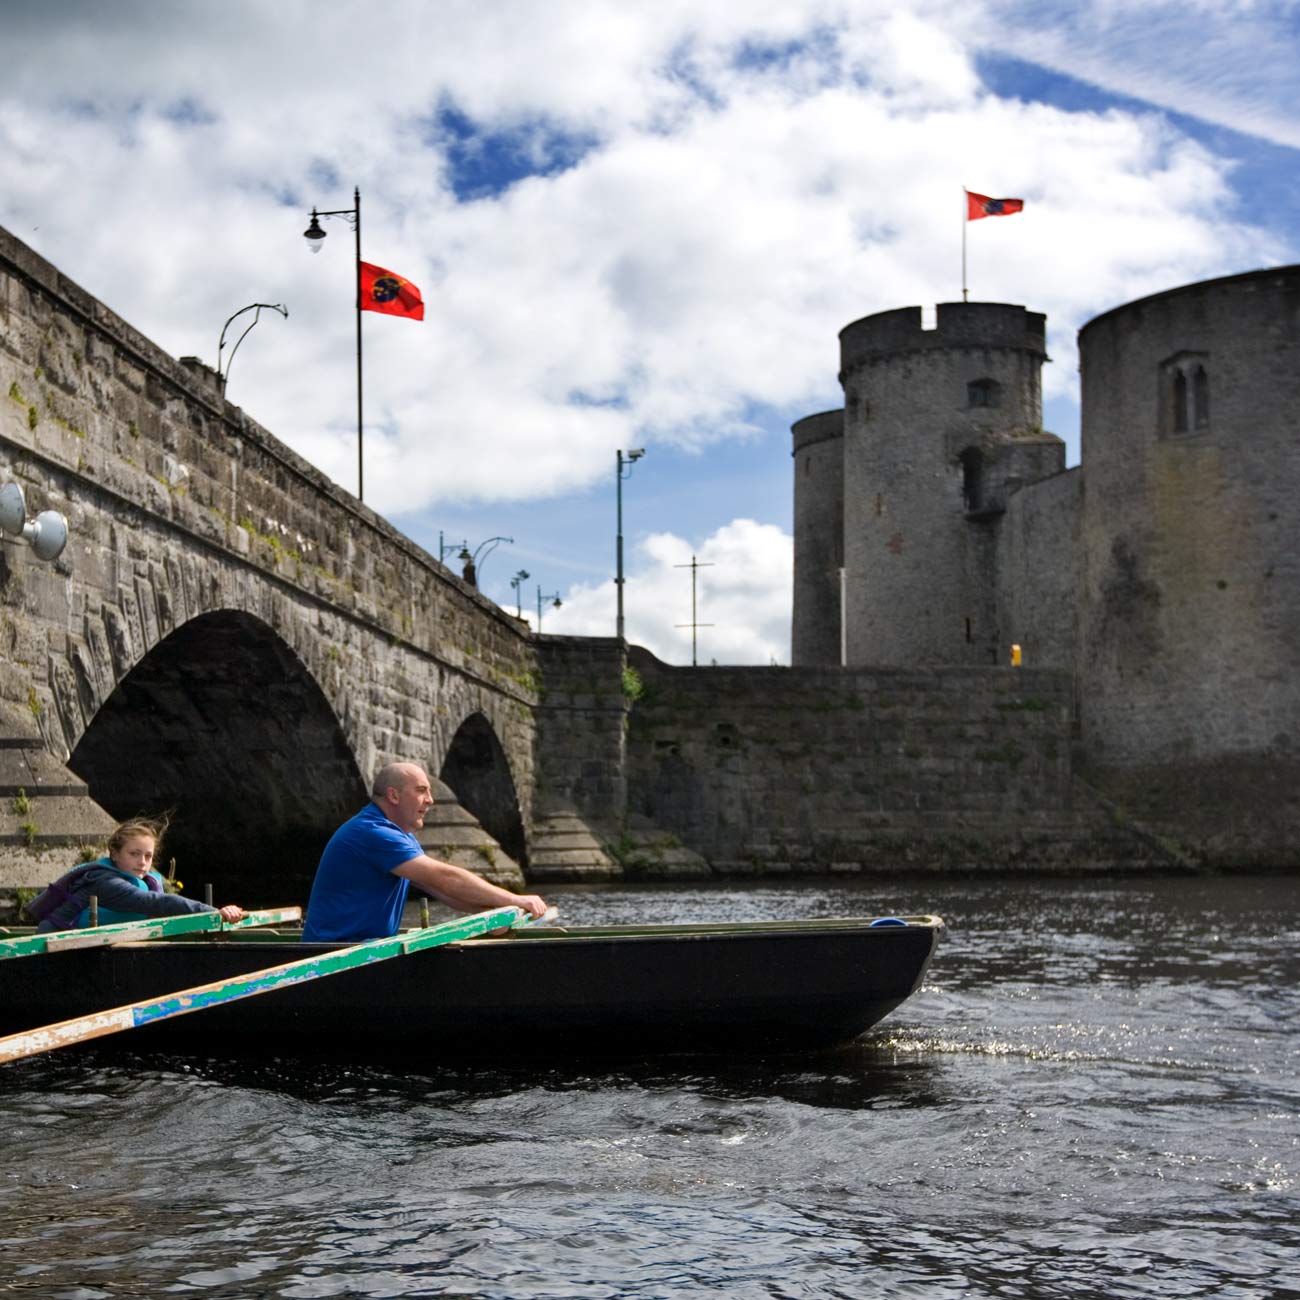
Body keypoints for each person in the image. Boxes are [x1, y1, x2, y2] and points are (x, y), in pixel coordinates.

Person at [302, 762, 548, 943]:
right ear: (394, 795)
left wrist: (489, 914)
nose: (430, 800)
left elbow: (441, 890)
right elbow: (445, 878)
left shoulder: (400, 835)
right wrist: (513, 899)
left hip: (365, 947)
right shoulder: (372, 832)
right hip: (334, 951)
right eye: (421, 790)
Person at [32, 818, 244, 932]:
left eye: (148, 856)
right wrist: (214, 912)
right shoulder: (105, 882)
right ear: (114, 854)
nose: (142, 862)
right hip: (54, 946)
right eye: (134, 854)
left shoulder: (146, 880)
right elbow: (155, 903)